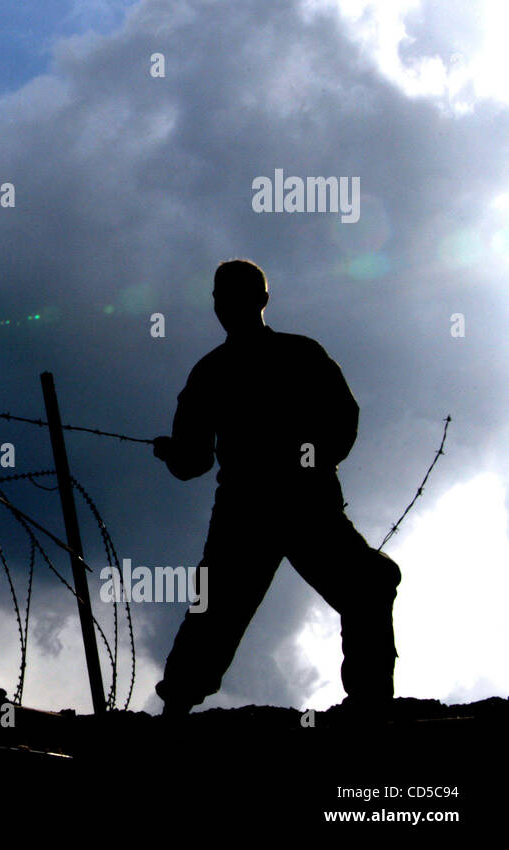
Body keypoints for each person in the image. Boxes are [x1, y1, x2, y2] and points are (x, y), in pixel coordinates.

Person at [151, 259, 400, 717]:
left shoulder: (228, 367)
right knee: (219, 613)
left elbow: (195, 461)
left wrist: (175, 454)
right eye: (221, 297)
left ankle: (370, 706)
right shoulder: (273, 359)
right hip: (280, 509)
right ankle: (370, 708)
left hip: (272, 509)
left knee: (221, 611)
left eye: (231, 296)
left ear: (259, 300)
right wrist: (177, 454)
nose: (224, 306)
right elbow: (196, 459)